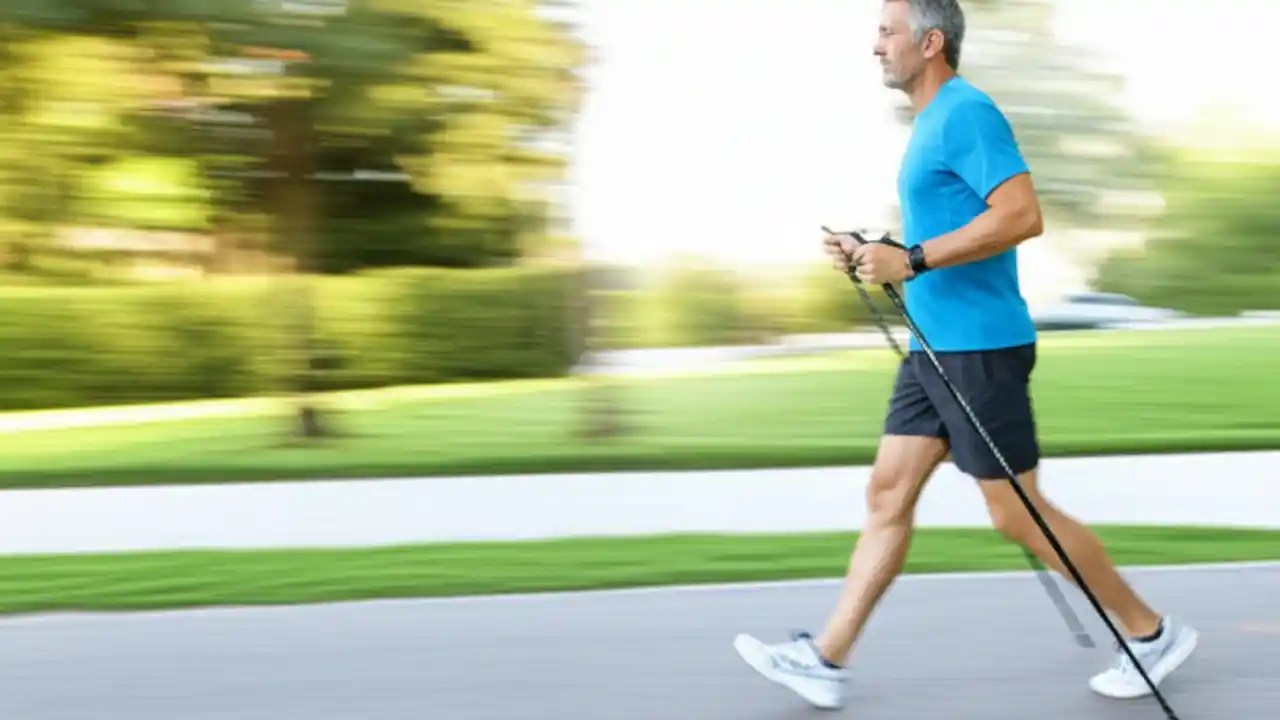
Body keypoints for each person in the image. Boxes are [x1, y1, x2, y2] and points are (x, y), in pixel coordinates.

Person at [732, 0, 1198, 711]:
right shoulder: (930, 125)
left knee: (1017, 514)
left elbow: (1020, 216)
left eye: (886, 32)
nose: (875, 46)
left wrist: (910, 260)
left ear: (930, 40)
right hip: (931, 347)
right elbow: (941, 235)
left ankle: (1149, 632)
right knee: (888, 492)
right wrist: (872, 251)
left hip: (979, 347)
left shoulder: (965, 111)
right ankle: (825, 658)